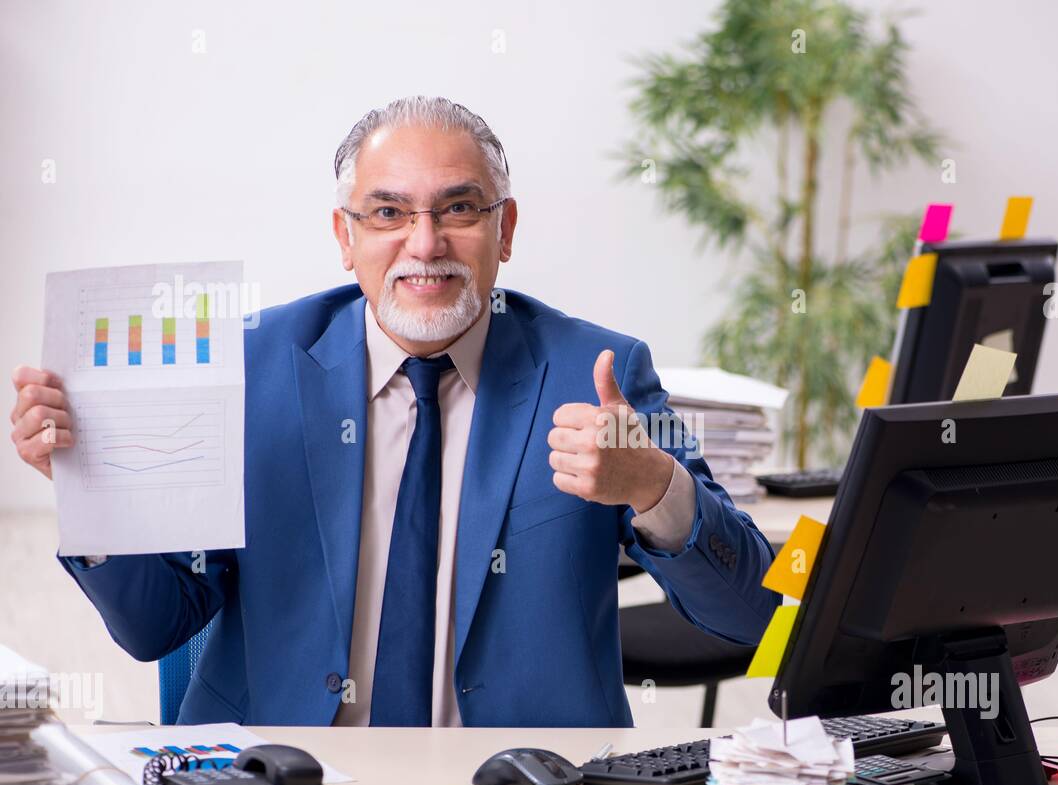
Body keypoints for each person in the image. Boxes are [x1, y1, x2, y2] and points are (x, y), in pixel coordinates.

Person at [9, 95, 779, 727]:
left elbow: (753, 612)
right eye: (387, 212)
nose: (425, 242)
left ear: (504, 230)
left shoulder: (602, 370)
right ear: (345, 238)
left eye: (460, 208)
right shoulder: (245, 367)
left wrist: (655, 488)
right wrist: (92, 483)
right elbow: (156, 625)